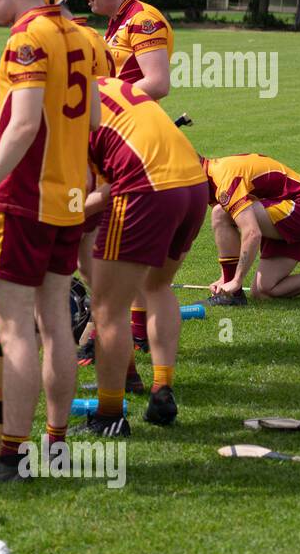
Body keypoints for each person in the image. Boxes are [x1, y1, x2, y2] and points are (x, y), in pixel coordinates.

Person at [0, 0, 99, 483]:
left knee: (16, 327)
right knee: (56, 323)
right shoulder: (81, 36)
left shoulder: (26, 37)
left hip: (22, 200)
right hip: (67, 200)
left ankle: (13, 455)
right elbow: (96, 116)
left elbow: (22, 126)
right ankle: (55, 444)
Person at [73, 78, 208, 435]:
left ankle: (109, 415)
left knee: (107, 307)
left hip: (147, 187)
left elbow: (91, 194)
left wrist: (62, 215)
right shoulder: (110, 85)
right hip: (194, 182)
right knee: (157, 286)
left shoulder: (65, 101)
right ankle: (161, 386)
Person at [81, 0, 175, 371]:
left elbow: (157, 82)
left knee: (113, 241)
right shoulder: (115, 24)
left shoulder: (143, 19)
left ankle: (103, 336)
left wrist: (104, 99)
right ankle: (114, 333)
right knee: (108, 242)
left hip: (135, 145)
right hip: (113, 142)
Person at [202, 153, 300, 304]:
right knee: (263, 291)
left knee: (220, 213)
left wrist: (236, 280)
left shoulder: (224, 178)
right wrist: (225, 279)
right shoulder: (211, 177)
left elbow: (252, 233)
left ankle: (232, 297)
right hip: (288, 214)